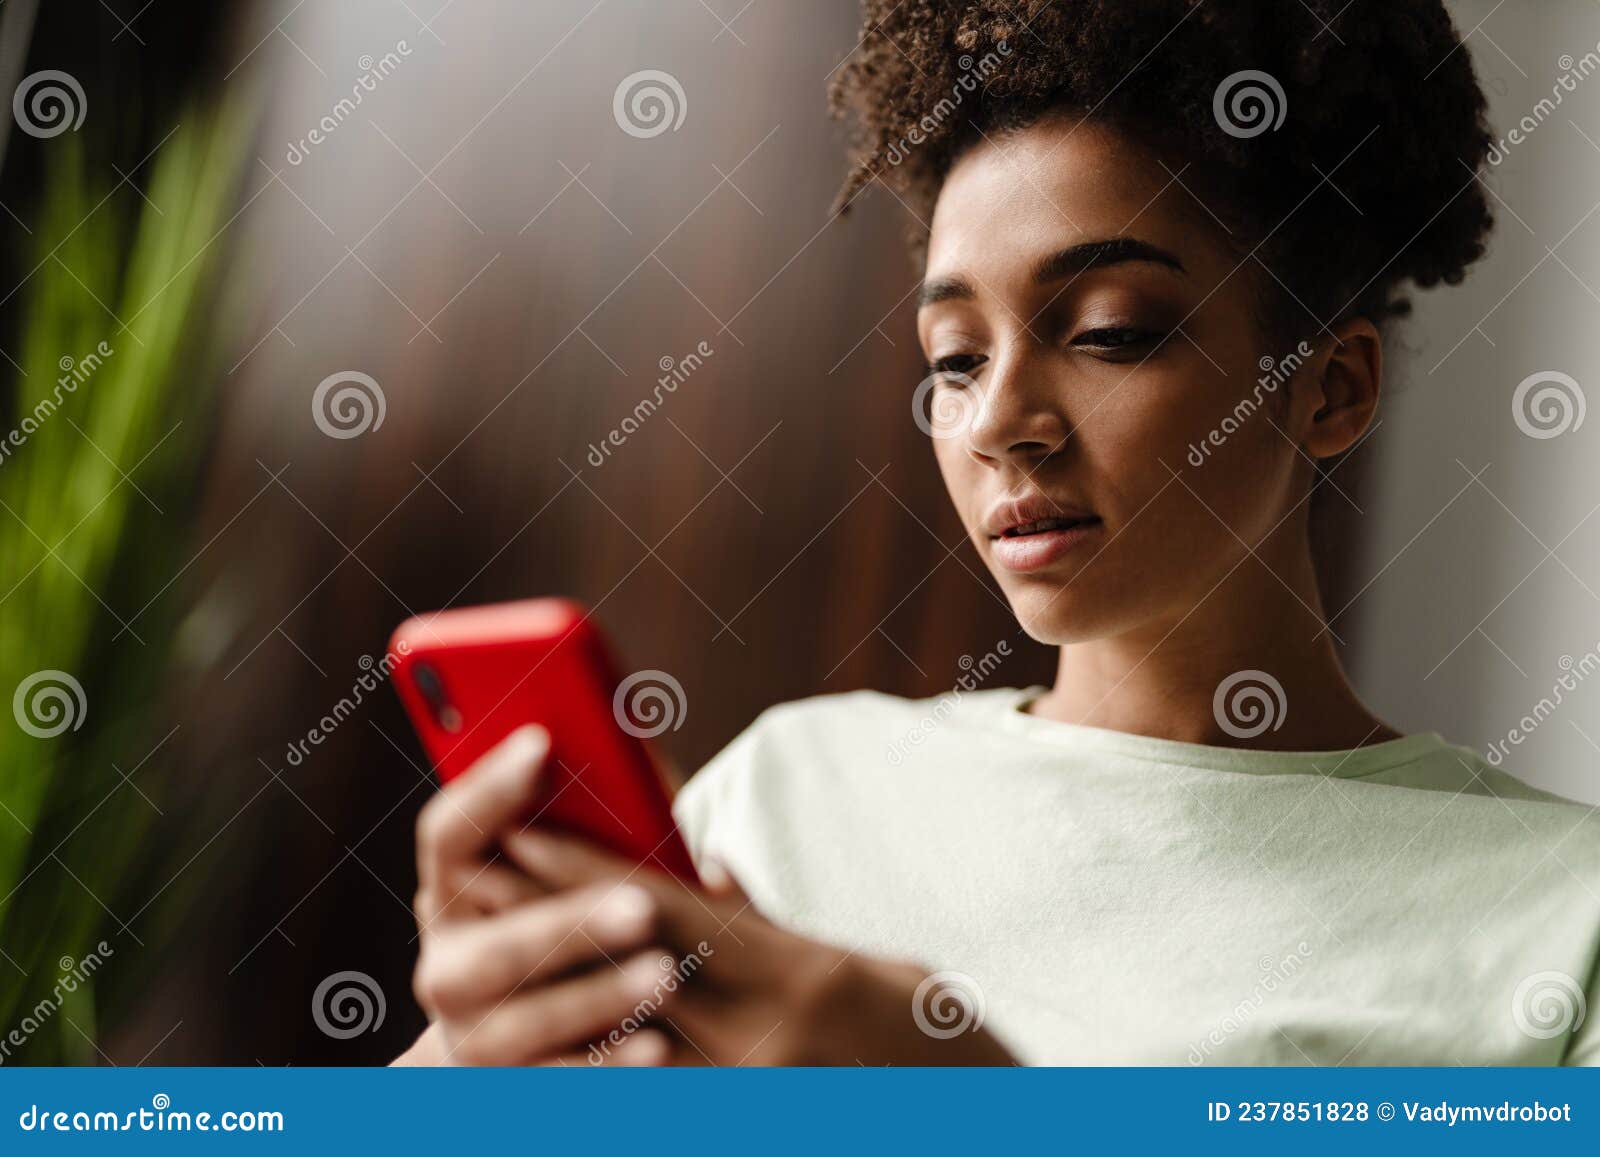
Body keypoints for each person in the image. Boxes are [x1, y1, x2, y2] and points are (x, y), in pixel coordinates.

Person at [394, 0, 1600, 1066]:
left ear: (1327, 389)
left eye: (1111, 329)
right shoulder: (786, 791)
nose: (999, 423)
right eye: (955, 358)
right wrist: (472, 1064)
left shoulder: (1560, 919)